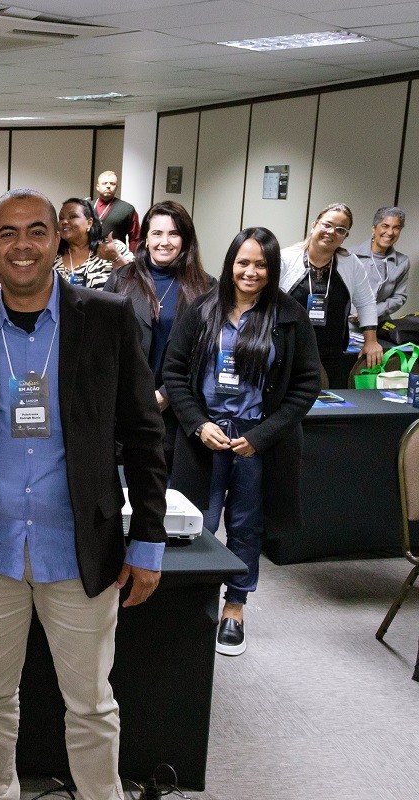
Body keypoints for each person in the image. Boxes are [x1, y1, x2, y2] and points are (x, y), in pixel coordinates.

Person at [0, 188, 167, 800]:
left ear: (59, 239)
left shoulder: (106, 317)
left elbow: (144, 436)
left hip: (78, 549)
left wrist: (148, 539)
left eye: (37, 231)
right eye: (9, 233)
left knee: (93, 703)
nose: (23, 245)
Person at [162, 228, 321, 656]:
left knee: (246, 526)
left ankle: (235, 606)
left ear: (272, 269)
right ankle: (193, 602)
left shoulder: (289, 316)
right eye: (243, 262)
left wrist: (261, 436)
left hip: (256, 440)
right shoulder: (202, 309)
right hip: (204, 437)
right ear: (231, 262)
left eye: (261, 264)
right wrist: (196, 424)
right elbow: (174, 373)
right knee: (196, 524)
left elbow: (307, 385)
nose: (251, 272)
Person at [104, 200, 213, 466]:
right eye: (157, 233)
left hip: (178, 409)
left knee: (170, 497)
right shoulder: (121, 279)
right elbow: (104, 345)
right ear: (145, 238)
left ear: (186, 239)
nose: (165, 242)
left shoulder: (207, 286)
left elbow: (206, 352)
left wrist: (166, 393)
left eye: (173, 233)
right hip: (125, 407)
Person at [280, 202, 381, 388]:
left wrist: (371, 340)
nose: (331, 232)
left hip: (332, 353)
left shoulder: (351, 264)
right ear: (314, 225)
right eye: (326, 225)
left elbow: (366, 302)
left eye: (341, 229)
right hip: (286, 352)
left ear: (345, 236)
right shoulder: (285, 258)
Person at [54, 197, 134, 289]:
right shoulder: (54, 256)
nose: (64, 222)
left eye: (72, 216)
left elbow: (136, 283)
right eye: (61, 218)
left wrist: (116, 258)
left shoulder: (114, 248)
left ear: (89, 223)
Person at [350, 205, 408, 329]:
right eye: (385, 226)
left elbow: (399, 297)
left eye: (396, 228)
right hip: (348, 325)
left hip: (379, 326)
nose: (390, 232)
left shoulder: (402, 262)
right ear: (374, 228)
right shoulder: (350, 255)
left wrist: (373, 312)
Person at [93, 170, 141, 249]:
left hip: (116, 257)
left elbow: (135, 238)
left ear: (116, 187)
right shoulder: (87, 207)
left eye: (112, 183)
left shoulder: (127, 209)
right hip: (89, 257)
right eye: (104, 183)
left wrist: (132, 259)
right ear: (97, 187)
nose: (108, 186)